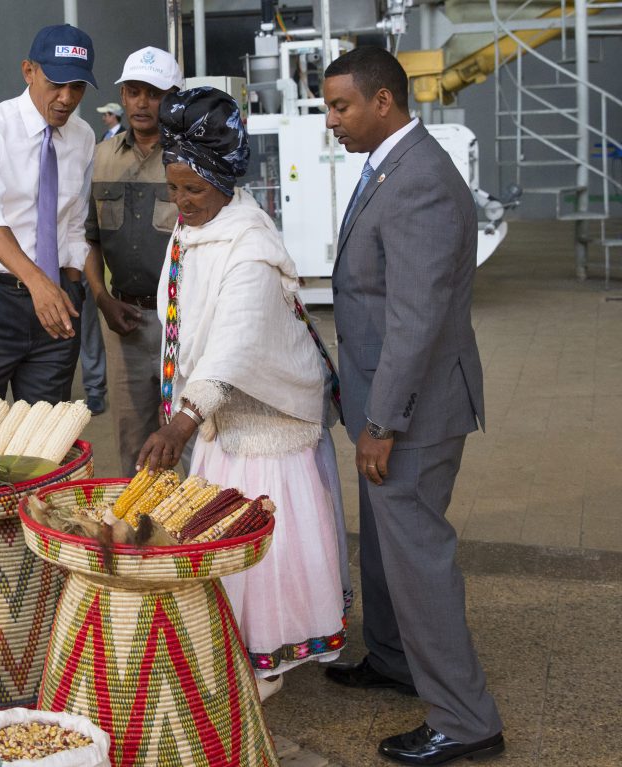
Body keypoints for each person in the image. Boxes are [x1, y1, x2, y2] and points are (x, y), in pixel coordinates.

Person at [321, 46, 505, 766]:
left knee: (419, 559)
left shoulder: (421, 180)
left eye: (340, 106)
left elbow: (416, 319)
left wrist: (382, 422)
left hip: (412, 413)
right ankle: (395, 660)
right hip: (388, 399)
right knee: (386, 549)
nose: (330, 120)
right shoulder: (393, 165)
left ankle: (465, 718)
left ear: (383, 104)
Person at [136, 87, 347, 702]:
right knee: (225, 544)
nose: (181, 202)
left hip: (262, 428)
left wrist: (181, 422)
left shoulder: (249, 247)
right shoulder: (194, 230)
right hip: (217, 421)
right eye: (173, 189)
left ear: (225, 182)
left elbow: (232, 345)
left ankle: (266, 660)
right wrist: (186, 410)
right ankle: (231, 647)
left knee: (262, 552)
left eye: (192, 191)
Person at [0, 25, 97, 426]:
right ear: (28, 71)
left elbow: (74, 220)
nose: (67, 98)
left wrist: (71, 283)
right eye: (56, 83)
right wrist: (36, 282)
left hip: (56, 302)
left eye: (78, 86)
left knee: (44, 441)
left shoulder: (82, 137)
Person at [83, 46, 184, 474]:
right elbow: (86, 238)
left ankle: (188, 538)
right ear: (123, 97)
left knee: (190, 439)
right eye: (134, 91)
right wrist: (101, 297)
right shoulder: (99, 159)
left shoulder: (191, 161)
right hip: (123, 321)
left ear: (174, 97)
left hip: (184, 321)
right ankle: (141, 538)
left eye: (155, 93)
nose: (143, 103)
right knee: (134, 447)